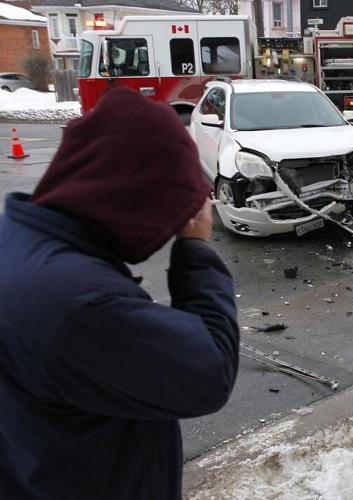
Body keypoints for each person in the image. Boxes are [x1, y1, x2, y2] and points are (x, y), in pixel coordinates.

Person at [0, 86, 240, 499]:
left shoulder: (18, 241)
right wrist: (196, 248)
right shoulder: (77, 302)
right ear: (135, 197)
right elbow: (209, 373)